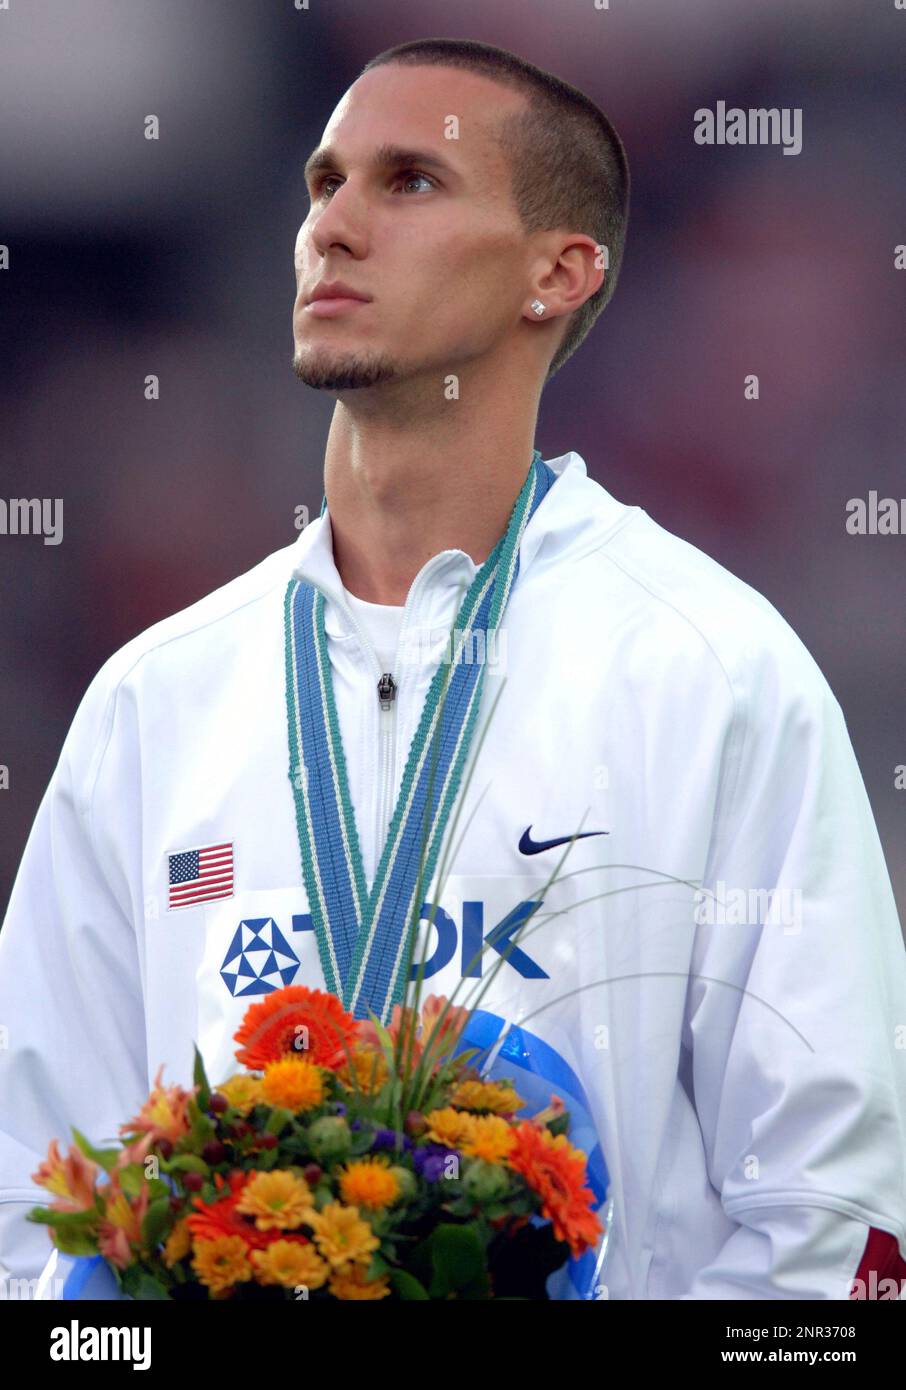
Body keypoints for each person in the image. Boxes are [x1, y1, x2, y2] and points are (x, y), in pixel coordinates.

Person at [1, 37, 904, 1301]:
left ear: (560, 270)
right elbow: (34, 1184)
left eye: (409, 182)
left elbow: (830, 1206)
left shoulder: (710, 671)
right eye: (323, 183)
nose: (335, 227)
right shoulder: (156, 698)